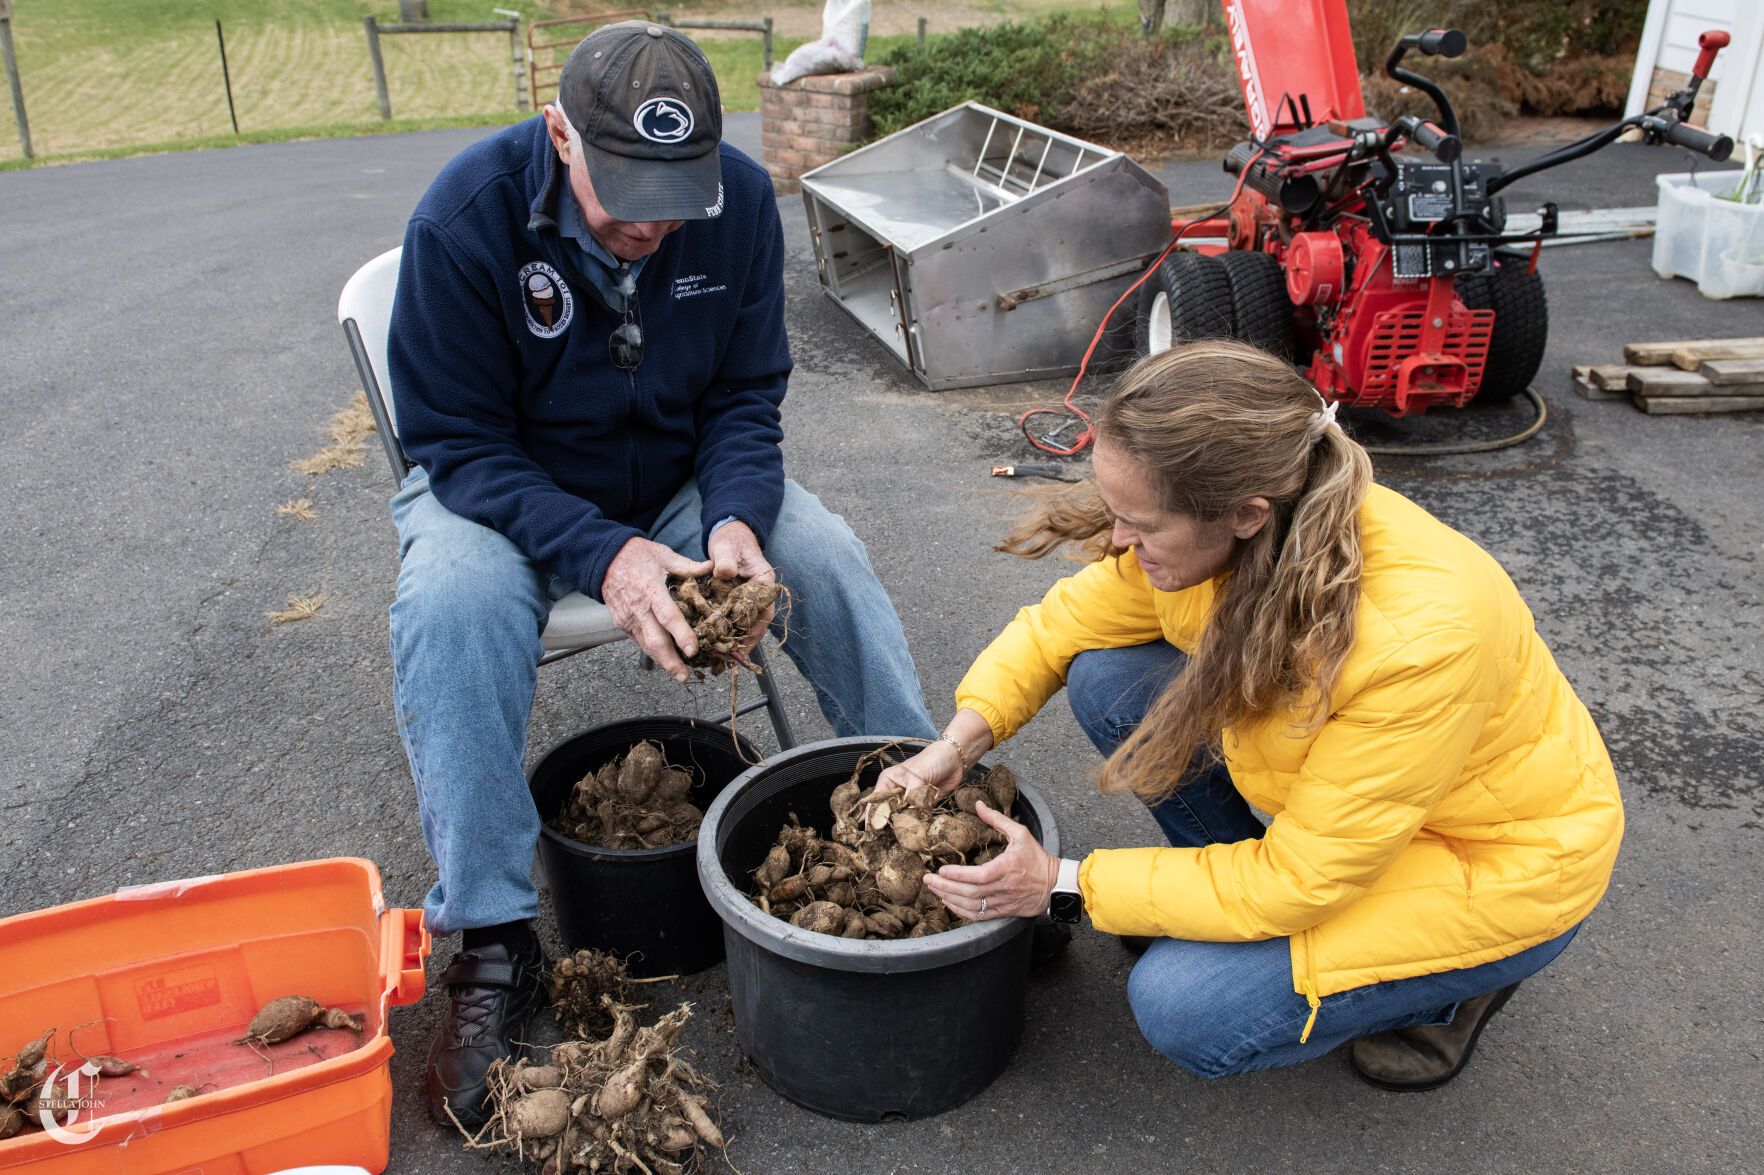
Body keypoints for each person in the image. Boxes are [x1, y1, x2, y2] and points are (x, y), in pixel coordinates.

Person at [386, 21, 935, 1127]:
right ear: (560, 137)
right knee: (449, 605)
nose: (647, 226)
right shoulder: (464, 218)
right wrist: (604, 553)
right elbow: (456, 440)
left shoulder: (739, 203)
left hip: (681, 475)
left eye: (673, 198)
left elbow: (743, 397)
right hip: (509, 486)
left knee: (822, 554)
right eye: (624, 194)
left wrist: (735, 518)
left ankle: (925, 812)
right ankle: (491, 938)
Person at [880, 340, 1623, 1089]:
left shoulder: (1417, 643)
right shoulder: (1232, 531)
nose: (1119, 541)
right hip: (1353, 822)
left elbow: (1299, 878)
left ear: (1245, 514)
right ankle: (1224, 915)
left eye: (1142, 524)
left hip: (1493, 857)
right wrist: (956, 745)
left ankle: (1451, 990)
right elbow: (1058, 628)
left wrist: (1064, 884)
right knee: (1109, 678)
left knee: (1185, 1005)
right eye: (1116, 513)